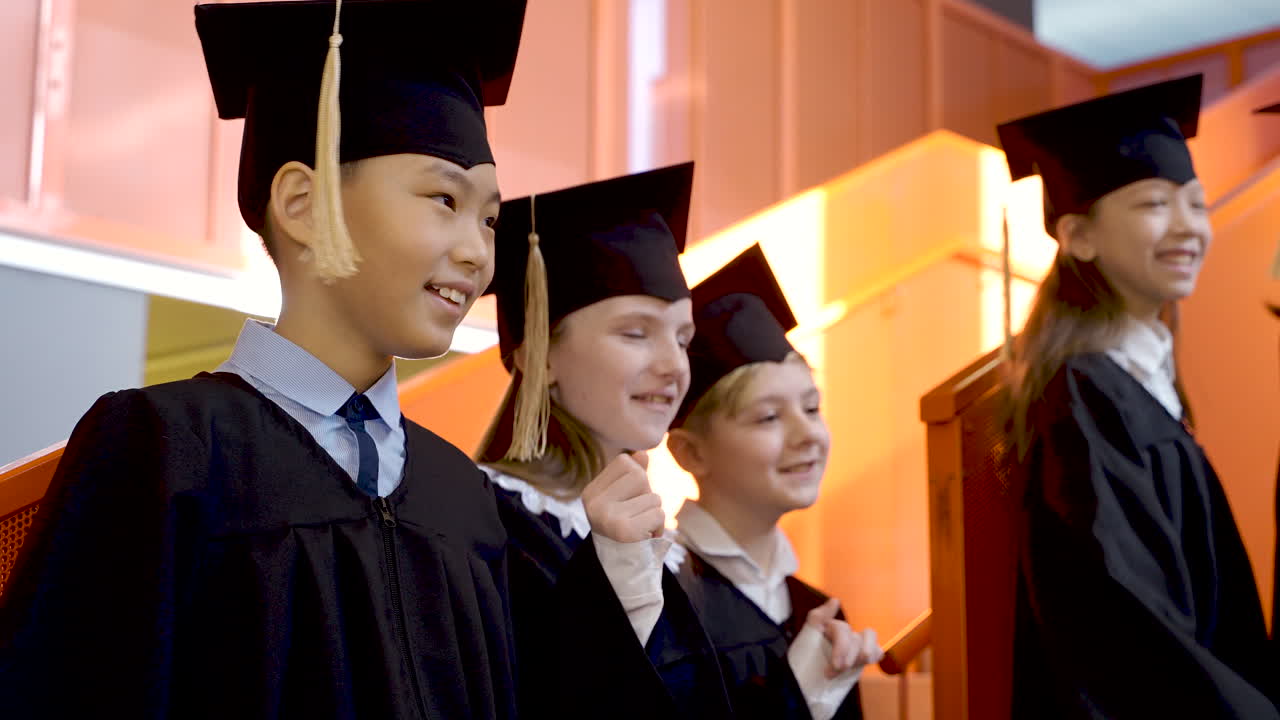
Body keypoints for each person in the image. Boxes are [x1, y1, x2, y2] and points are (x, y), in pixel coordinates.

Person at [0, 1, 531, 716]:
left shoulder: (462, 496)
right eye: (445, 199)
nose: (477, 252)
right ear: (302, 203)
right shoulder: (165, 449)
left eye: (490, 219)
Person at [998, 74, 1279, 717]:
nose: (1187, 226)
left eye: (1198, 204)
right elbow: (1128, 624)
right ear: (1078, 237)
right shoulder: (1084, 393)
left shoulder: (1142, 385)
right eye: (1155, 204)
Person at [475, 162, 733, 718]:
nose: (673, 366)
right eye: (635, 333)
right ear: (538, 356)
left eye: (683, 339)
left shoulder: (666, 545)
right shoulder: (484, 524)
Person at [664, 243, 881, 720]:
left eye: (811, 407)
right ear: (690, 453)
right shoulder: (656, 604)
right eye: (768, 417)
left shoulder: (819, 613)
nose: (808, 435)